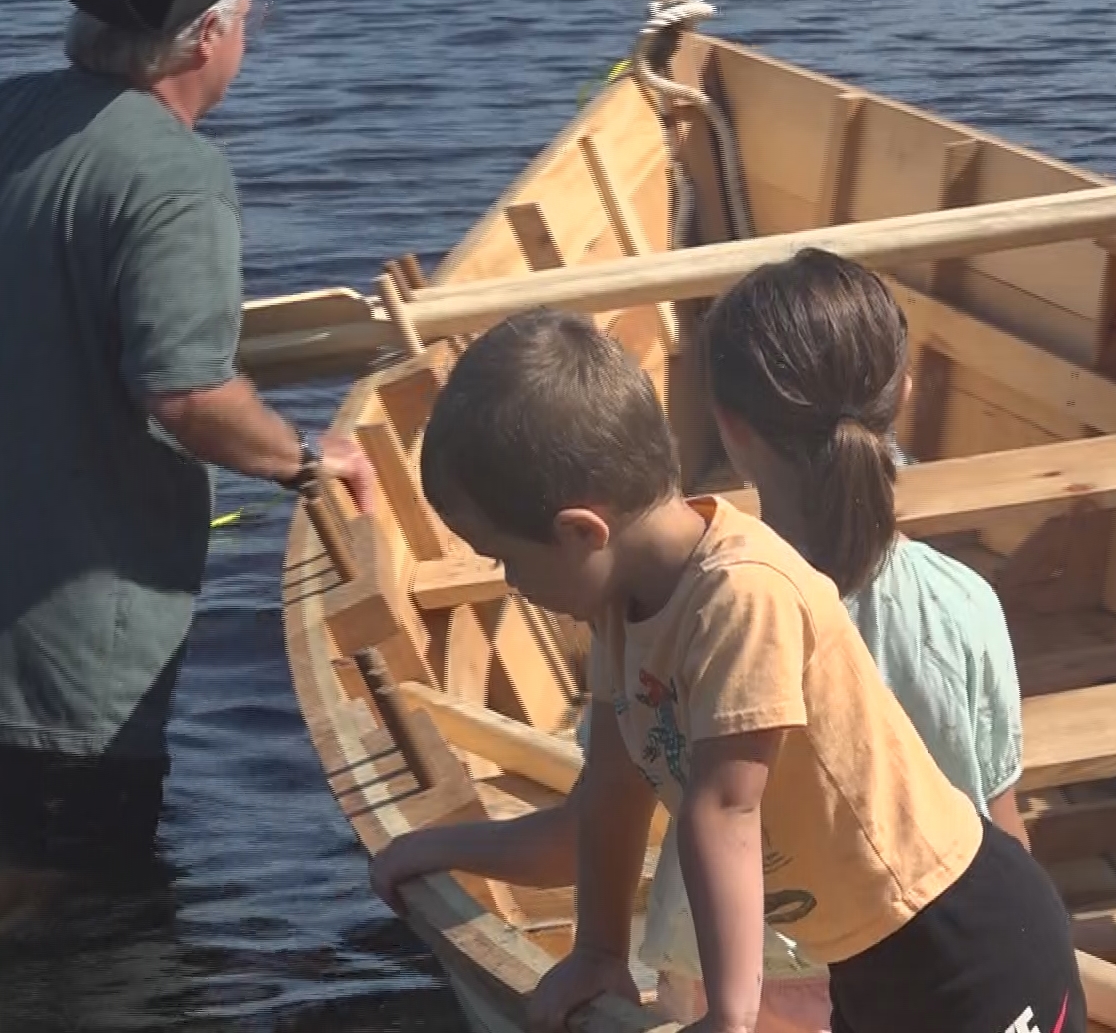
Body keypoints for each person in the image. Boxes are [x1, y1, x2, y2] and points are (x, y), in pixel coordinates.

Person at [0, 0, 368, 916]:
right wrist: (311, 460)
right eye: (251, 20)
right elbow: (191, 395)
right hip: (60, 632)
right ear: (208, 36)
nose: (250, 38)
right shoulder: (178, 177)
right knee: (89, 914)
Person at [369, 250, 1036, 1033]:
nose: (511, 583)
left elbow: (712, 812)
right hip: (885, 964)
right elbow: (608, 811)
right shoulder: (633, 615)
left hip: (918, 962)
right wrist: (591, 946)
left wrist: (728, 1018)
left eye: (506, 559)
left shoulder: (736, 599)